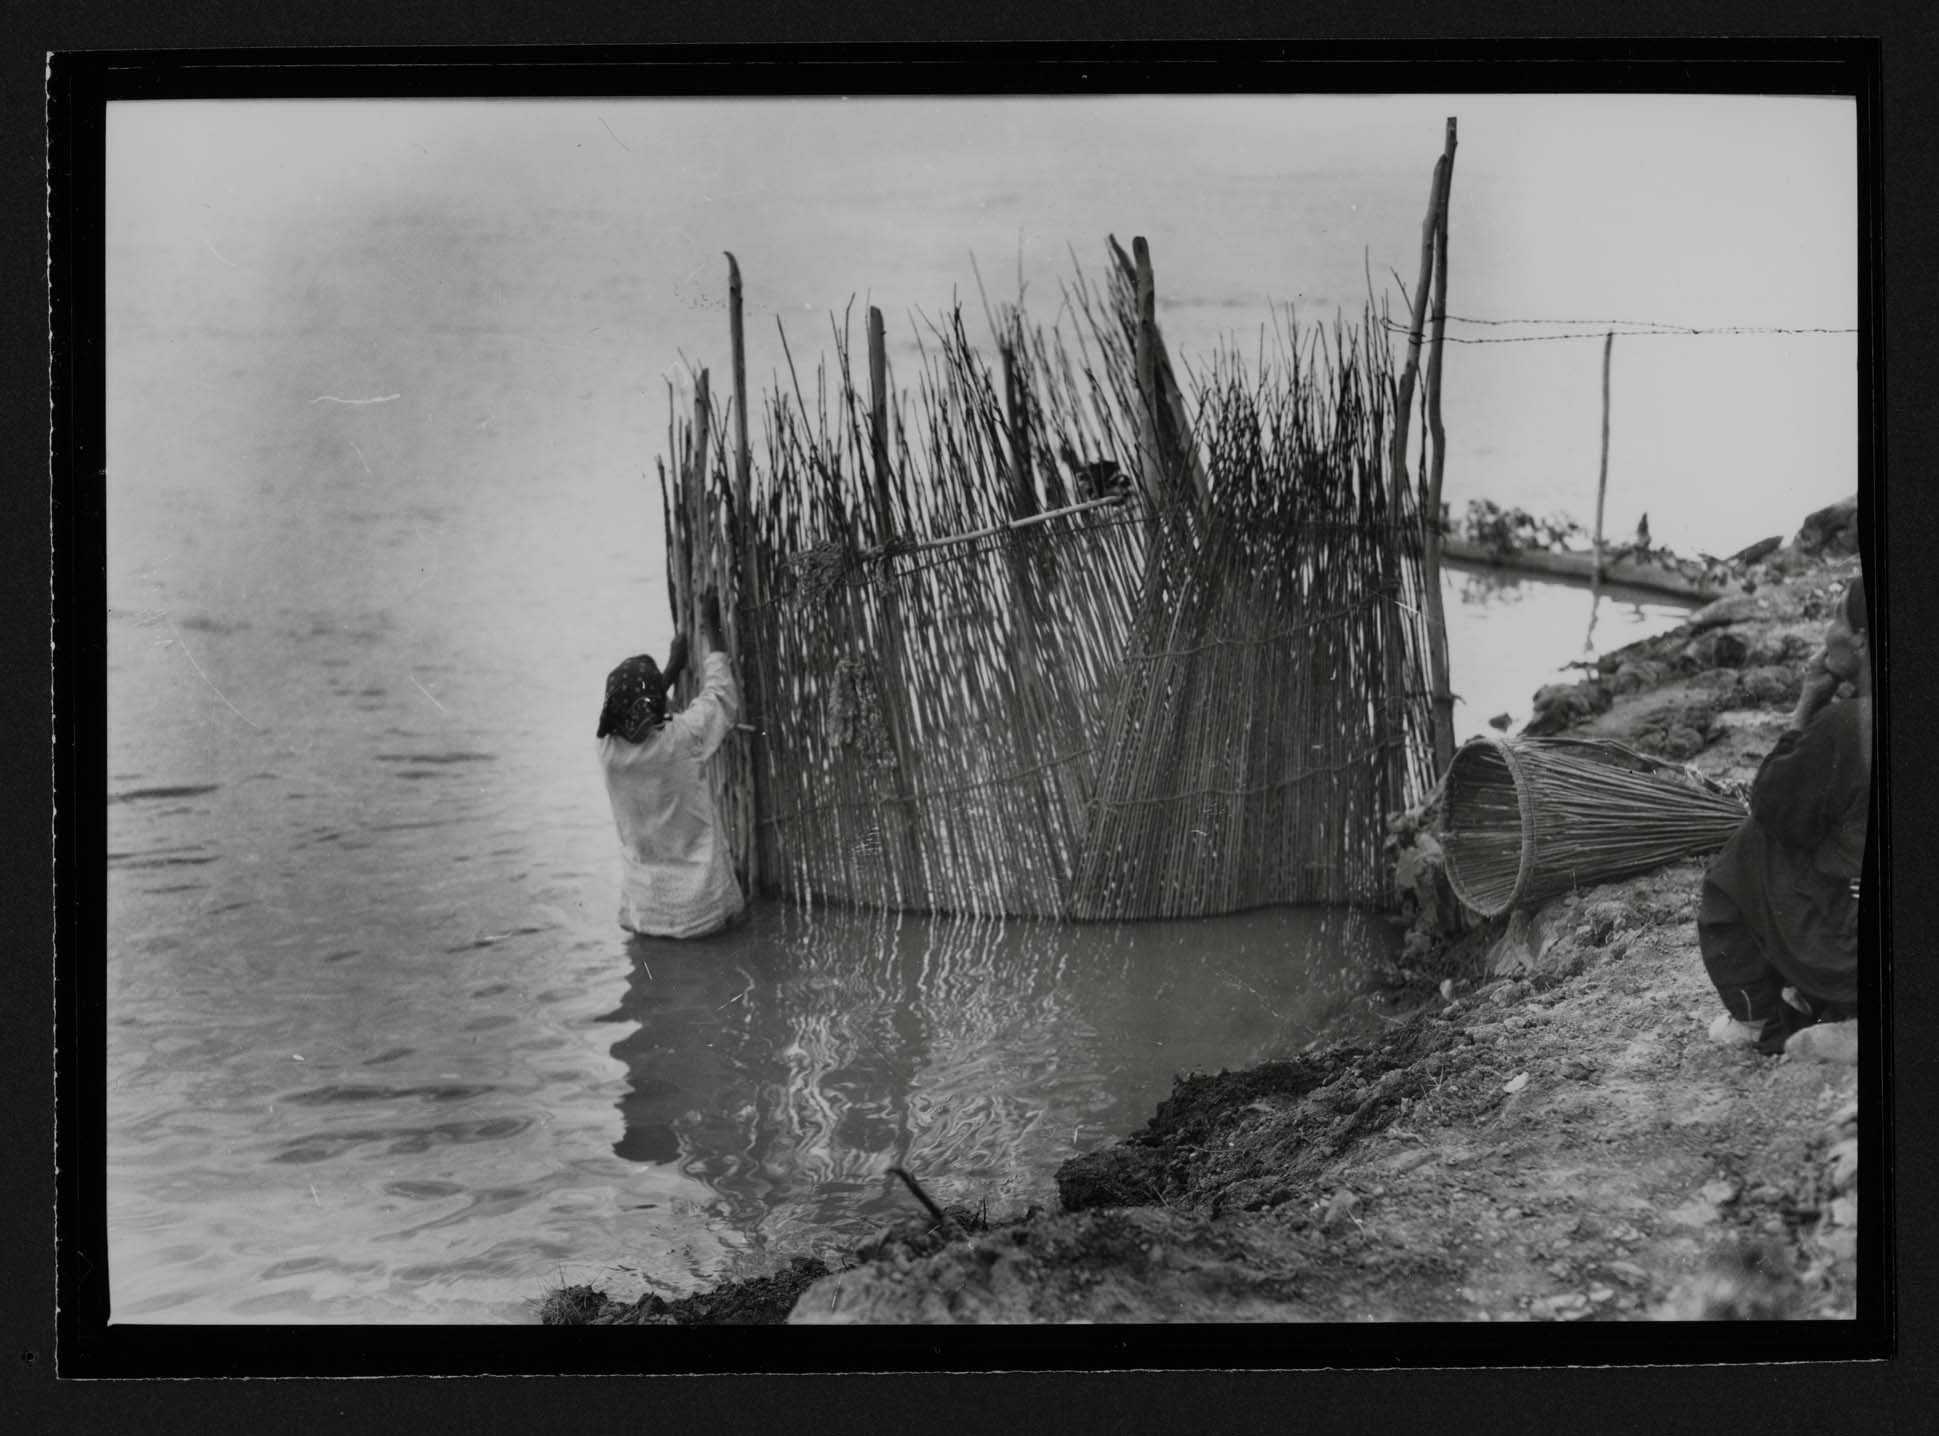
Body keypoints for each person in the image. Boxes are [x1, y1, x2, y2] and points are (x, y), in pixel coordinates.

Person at [1697, 574, 1871, 1055]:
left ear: (1861, 638)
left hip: (1856, 953)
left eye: (1837, 615)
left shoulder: (1849, 724)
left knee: (1754, 845)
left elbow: (1772, 805)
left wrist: (1806, 705)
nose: (1828, 629)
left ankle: (1754, 1016)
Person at [596, 585, 745, 938]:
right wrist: (712, 628)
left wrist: (670, 670)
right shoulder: (681, 739)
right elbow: (720, 696)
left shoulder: (607, 751)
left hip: (645, 911)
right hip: (700, 911)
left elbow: (637, 709)